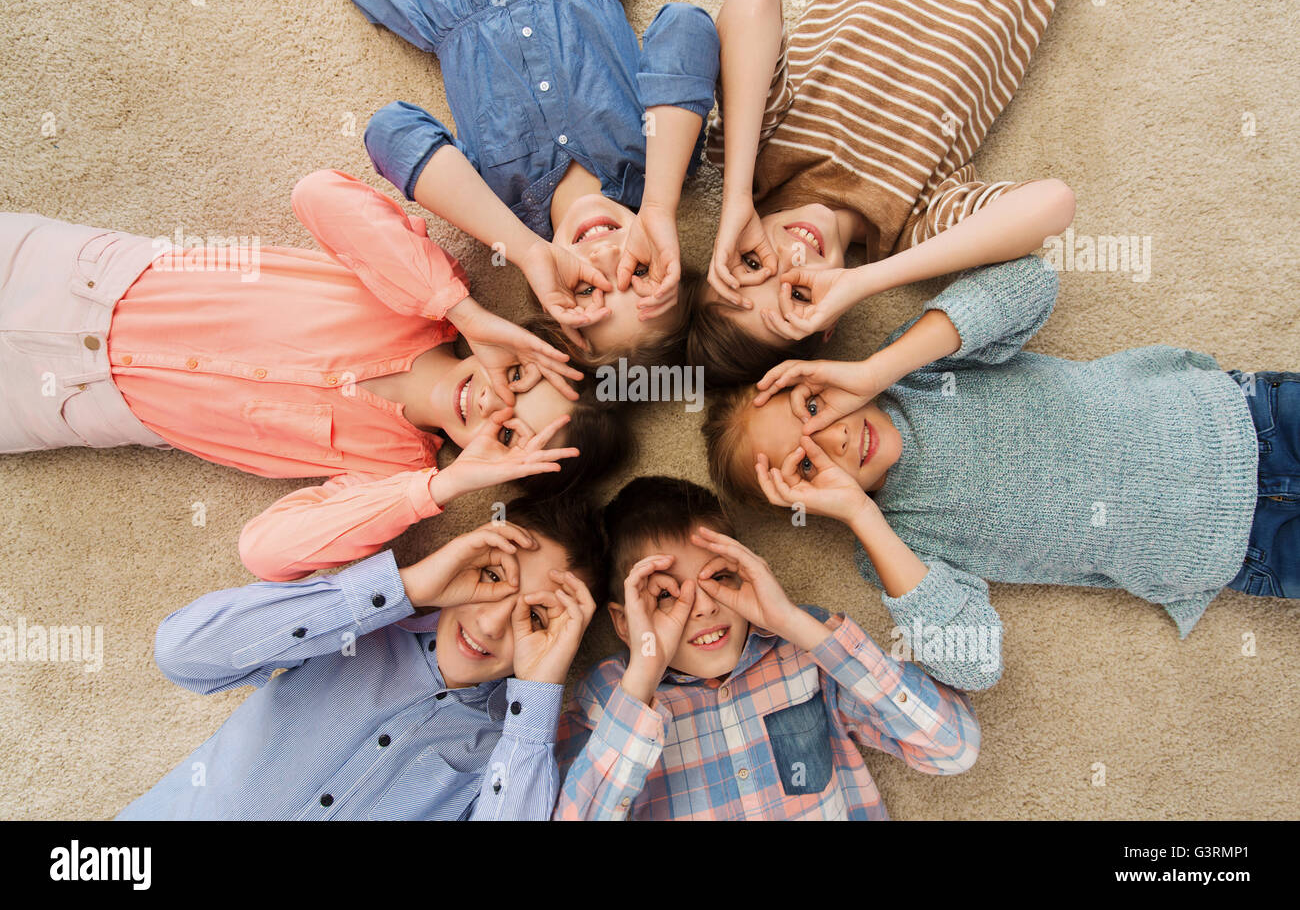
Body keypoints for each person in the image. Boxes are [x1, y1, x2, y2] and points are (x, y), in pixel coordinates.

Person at [0, 170, 627, 582]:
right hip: (77, 278)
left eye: (510, 437)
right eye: (517, 381)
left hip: (62, 404)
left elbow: (266, 552)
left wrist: (440, 490)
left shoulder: (392, 474)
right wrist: (463, 309)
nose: (494, 407)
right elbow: (317, 195)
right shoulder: (414, 298)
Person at [703, 254, 1294, 691]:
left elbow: (1032, 282)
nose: (833, 438)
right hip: (1240, 549)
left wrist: (878, 369)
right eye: (806, 465)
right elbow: (977, 663)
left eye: (811, 407)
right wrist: (861, 515)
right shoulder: (896, 549)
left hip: (1238, 416)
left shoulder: (916, 369)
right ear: (807, 502)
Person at [692, 0, 1076, 385]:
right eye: (800, 291)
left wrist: (736, 198)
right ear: (830, 318)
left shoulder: (757, 155)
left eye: (752, 261)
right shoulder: (912, 230)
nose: (791, 258)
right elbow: (1054, 203)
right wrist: (864, 281)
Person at [329, 0, 720, 365]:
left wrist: (527, 250)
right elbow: (685, 26)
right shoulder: (661, 161)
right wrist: (659, 205)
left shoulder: (498, 211)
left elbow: (391, 131)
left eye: (588, 287)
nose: (605, 256)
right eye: (637, 271)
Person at [117, 493, 603, 820]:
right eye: (494, 579)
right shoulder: (355, 626)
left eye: (535, 619)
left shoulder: (514, 751)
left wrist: (537, 696)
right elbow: (182, 652)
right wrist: (406, 587)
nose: (492, 624)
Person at [554, 476, 979, 820]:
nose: (703, 607)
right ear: (625, 623)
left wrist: (795, 623)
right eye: (666, 595)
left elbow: (953, 748)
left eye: (718, 577)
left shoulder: (801, 651)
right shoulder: (607, 697)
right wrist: (643, 677)